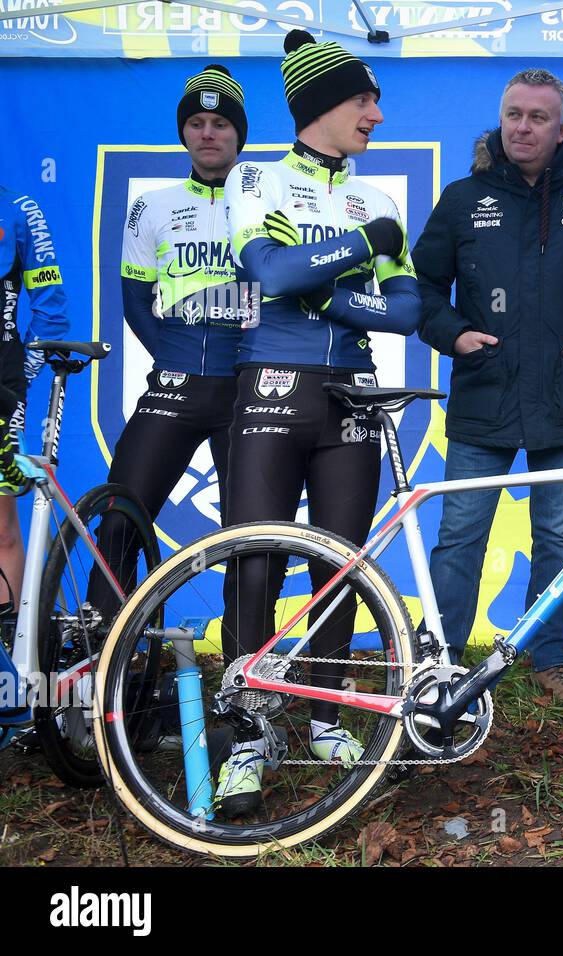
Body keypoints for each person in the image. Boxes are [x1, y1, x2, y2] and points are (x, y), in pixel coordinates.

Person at [217, 29, 420, 814]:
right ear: (323, 106)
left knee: (339, 562)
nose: (376, 112)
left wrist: (327, 294)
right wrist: (363, 247)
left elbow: (404, 311)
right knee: (256, 560)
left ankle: (330, 714)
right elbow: (267, 271)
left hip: (354, 391)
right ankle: (248, 733)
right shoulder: (256, 180)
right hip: (271, 380)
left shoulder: (381, 195)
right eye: (364, 98)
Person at [411, 69, 563, 708]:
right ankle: (441, 664)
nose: (522, 127)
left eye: (537, 117)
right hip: (484, 394)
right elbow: (418, 288)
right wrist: (452, 334)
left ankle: (549, 661)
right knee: (461, 535)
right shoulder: (463, 198)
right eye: (513, 114)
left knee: (557, 537)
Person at [89, 65, 248, 616]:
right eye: (197, 123)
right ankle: (101, 654)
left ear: (238, 136)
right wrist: (176, 357)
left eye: (221, 124)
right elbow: (136, 303)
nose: (208, 133)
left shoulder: (264, 198)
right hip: (175, 385)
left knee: (248, 536)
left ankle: (247, 666)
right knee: (120, 515)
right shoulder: (151, 207)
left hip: (248, 389)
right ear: (184, 133)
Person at [0, 184, 68, 610]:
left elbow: (51, 312)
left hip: (0, 392)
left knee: (2, 530)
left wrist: (15, 381)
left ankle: (8, 656)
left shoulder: (20, 209)